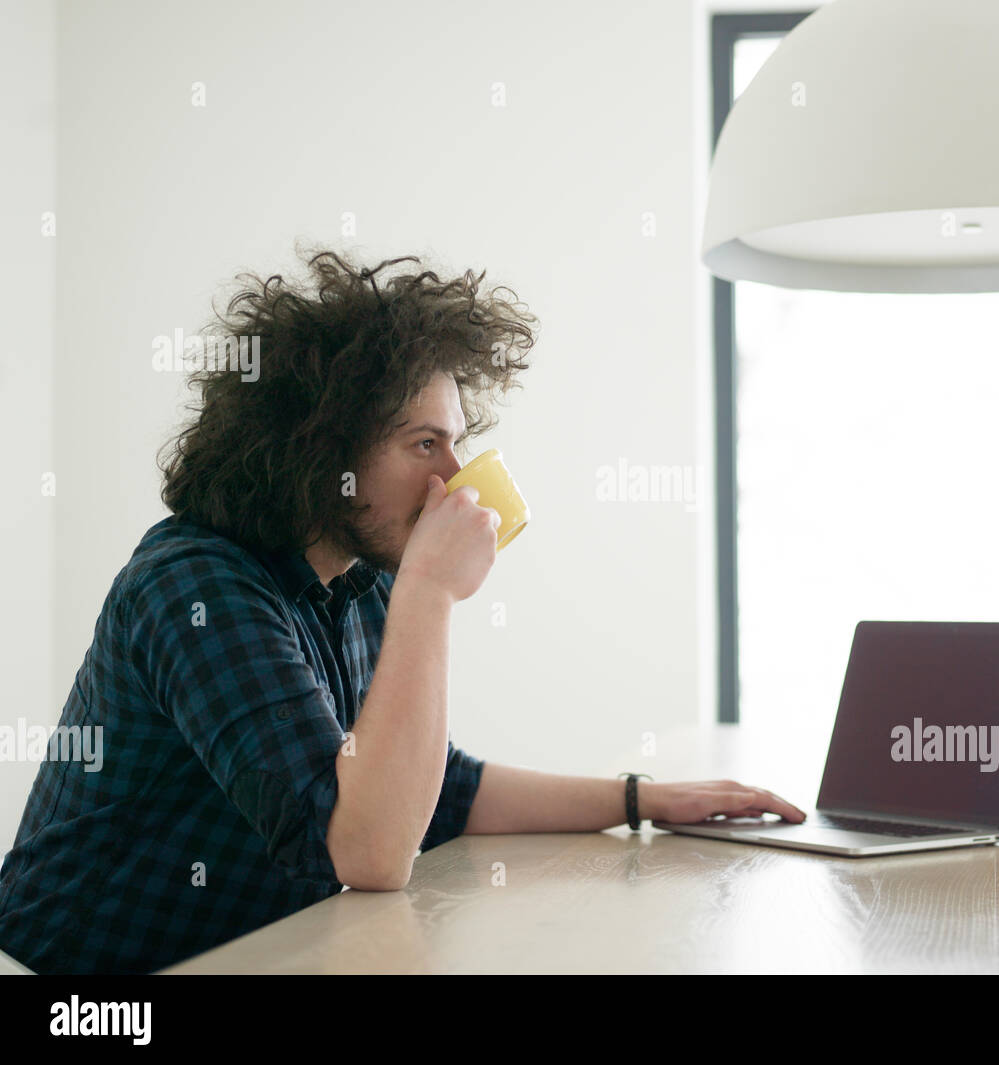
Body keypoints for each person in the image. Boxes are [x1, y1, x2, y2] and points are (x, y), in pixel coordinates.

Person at [0, 247, 803, 975]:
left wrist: (641, 799)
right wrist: (431, 591)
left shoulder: (360, 577)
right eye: (425, 445)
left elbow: (438, 790)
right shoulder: (194, 586)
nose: (454, 477)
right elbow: (369, 849)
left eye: (456, 443)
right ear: (324, 450)